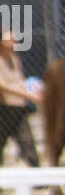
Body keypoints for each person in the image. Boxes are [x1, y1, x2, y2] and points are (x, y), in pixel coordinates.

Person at [0, 30, 41, 167]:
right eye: (11, 40)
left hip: (18, 108)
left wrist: (33, 92)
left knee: (27, 141)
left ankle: (38, 179)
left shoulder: (14, 57)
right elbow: (3, 85)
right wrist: (27, 95)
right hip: (3, 109)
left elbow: (20, 80)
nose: (15, 42)